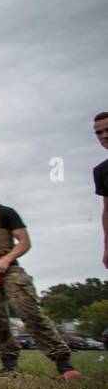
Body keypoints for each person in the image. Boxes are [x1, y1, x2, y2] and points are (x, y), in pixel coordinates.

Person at [0, 174, 81, 380]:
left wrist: (6, 259)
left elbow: (24, 241)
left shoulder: (4, 212)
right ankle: (9, 366)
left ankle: (64, 364)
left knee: (29, 312)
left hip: (8, 267)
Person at [94, 111, 108, 271]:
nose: (103, 136)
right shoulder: (101, 171)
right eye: (99, 132)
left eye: (107, 130)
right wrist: (106, 247)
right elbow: (107, 210)